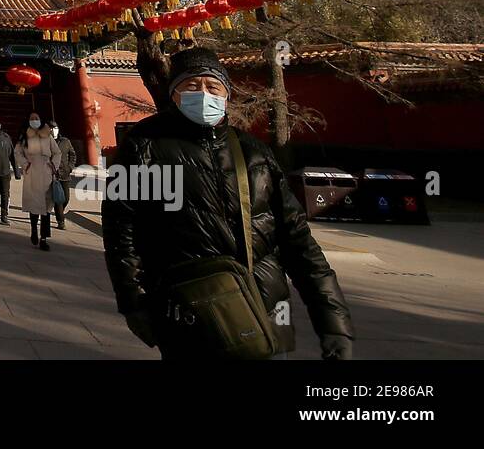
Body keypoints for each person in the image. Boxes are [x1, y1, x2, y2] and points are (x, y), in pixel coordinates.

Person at [102, 47, 354, 360]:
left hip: (263, 309)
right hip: (191, 311)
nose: (203, 93)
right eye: (192, 86)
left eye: (213, 86)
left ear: (226, 94)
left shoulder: (254, 153)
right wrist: (134, 302)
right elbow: (121, 234)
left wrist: (333, 322)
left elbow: (298, 240)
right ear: (173, 93)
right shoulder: (144, 148)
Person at [15, 112, 61, 250]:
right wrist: (25, 164)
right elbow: (17, 152)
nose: (34, 120)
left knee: (46, 209)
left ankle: (44, 238)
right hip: (32, 172)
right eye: (32, 118)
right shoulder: (25, 136)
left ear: (41, 120)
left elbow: (57, 152)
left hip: (46, 173)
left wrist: (53, 165)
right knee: (34, 206)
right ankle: (34, 229)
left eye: (36, 118)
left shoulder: (48, 135)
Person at [50, 120, 75, 229]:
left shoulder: (65, 141)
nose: (53, 130)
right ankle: (61, 221)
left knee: (66, 198)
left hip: (65, 174)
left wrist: (70, 167)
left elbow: (72, 155)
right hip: (53, 175)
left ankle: (59, 212)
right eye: (51, 129)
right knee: (58, 199)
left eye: (55, 128)